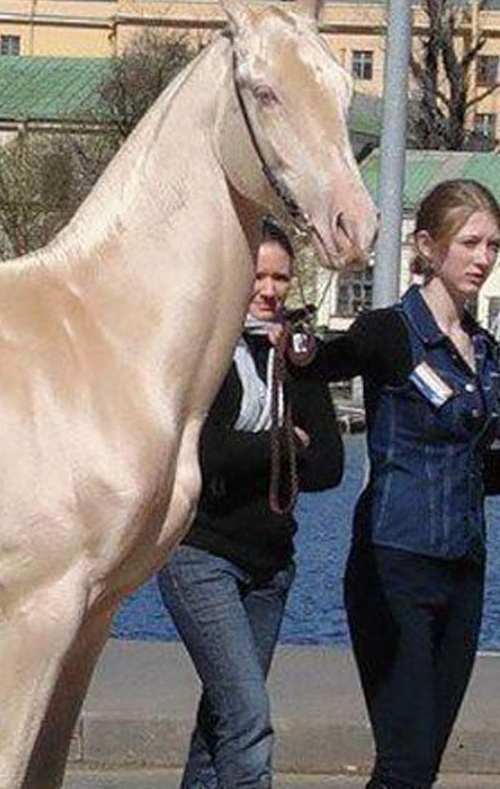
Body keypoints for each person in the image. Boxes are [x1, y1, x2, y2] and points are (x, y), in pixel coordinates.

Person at [300, 180, 500, 789]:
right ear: (428, 246)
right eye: (470, 242)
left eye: (493, 245)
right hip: (392, 566)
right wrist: (286, 333)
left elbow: (486, 469)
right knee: (407, 762)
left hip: (462, 570)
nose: (483, 258)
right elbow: (320, 361)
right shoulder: (389, 332)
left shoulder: (482, 348)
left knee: (419, 768)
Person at [158, 221, 346, 789]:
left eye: (280, 278)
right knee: (248, 718)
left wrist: (260, 453)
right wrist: (284, 444)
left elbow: (331, 467)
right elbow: (205, 453)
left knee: (221, 719)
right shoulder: (204, 349)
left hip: (270, 565)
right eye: (257, 275)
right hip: (200, 556)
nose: (268, 289)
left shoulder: (296, 355)